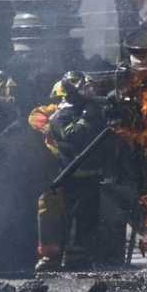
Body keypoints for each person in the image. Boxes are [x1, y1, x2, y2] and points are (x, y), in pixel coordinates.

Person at [48, 71, 106, 270]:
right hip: (74, 178)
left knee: (90, 219)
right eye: (85, 87)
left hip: (92, 176)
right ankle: (72, 261)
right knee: (78, 219)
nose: (89, 91)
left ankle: (86, 257)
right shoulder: (60, 116)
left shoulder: (87, 109)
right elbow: (73, 137)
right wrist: (87, 118)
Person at [28, 79, 69, 272]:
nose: (63, 102)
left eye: (66, 98)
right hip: (54, 171)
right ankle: (49, 256)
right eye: (60, 98)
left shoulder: (86, 113)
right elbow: (34, 118)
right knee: (47, 211)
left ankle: (73, 255)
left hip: (79, 171)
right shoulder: (50, 112)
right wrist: (53, 125)